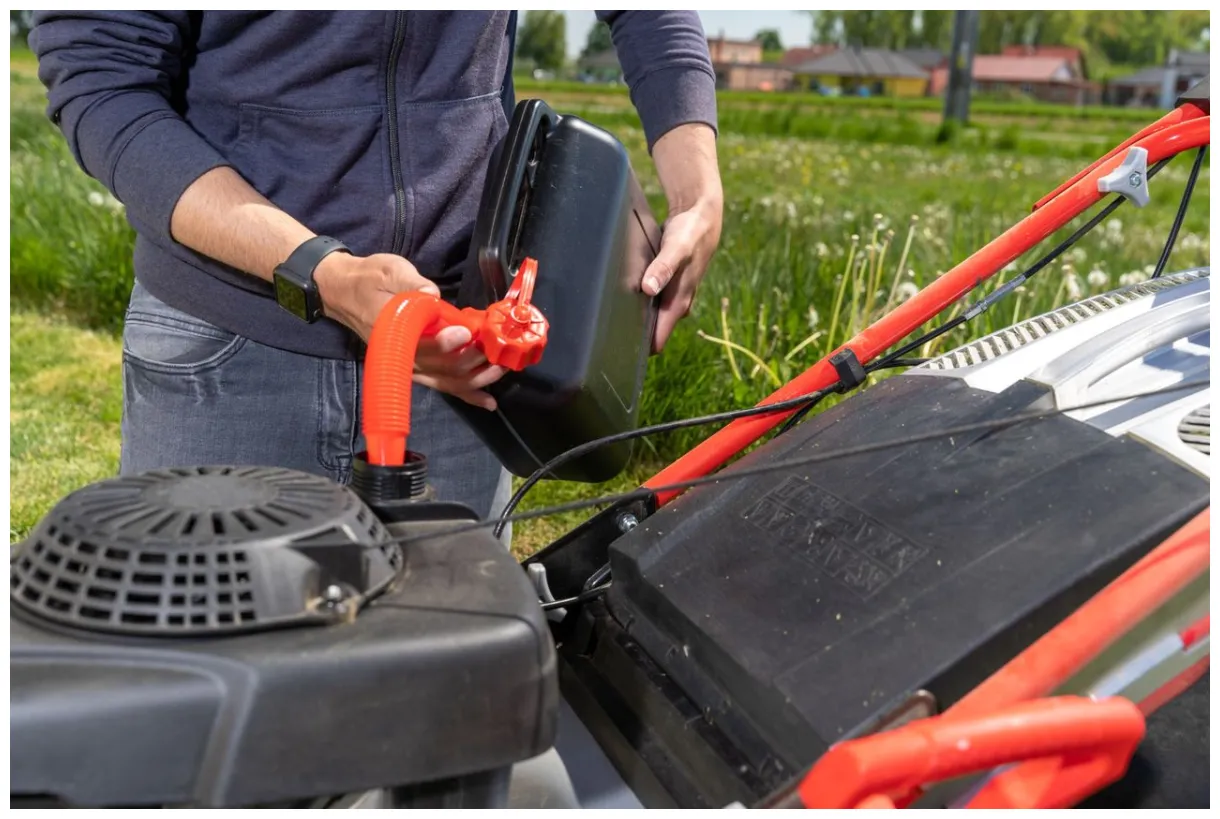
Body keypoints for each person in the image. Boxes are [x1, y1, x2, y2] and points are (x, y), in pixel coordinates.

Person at [30, 11, 723, 531]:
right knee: (210, 676)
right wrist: (319, 271)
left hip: (456, 352)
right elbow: (104, 81)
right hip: (228, 350)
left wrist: (697, 184)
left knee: (437, 685)